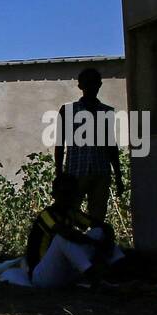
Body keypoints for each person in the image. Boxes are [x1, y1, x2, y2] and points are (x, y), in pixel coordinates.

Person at [26, 174, 121, 288]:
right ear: (54, 195)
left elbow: (104, 227)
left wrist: (106, 242)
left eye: (71, 193)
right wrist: (97, 244)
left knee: (98, 232)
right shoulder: (47, 215)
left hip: (65, 273)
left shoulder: (71, 212)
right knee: (61, 238)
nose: (68, 197)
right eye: (64, 193)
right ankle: (96, 280)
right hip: (43, 276)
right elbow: (67, 234)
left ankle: (120, 269)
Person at [54, 67, 123, 224]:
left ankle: (93, 245)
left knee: (97, 219)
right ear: (80, 86)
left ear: (99, 85)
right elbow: (59, 144)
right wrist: (59, 174)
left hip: (101, 171)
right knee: (68, 216)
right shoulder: (67, 111)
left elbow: (111, 145)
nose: (91, 87)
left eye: (94, 83)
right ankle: (68, 246)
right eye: (87, 83)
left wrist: (118, 175)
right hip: (74, 173)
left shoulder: (106, 112)